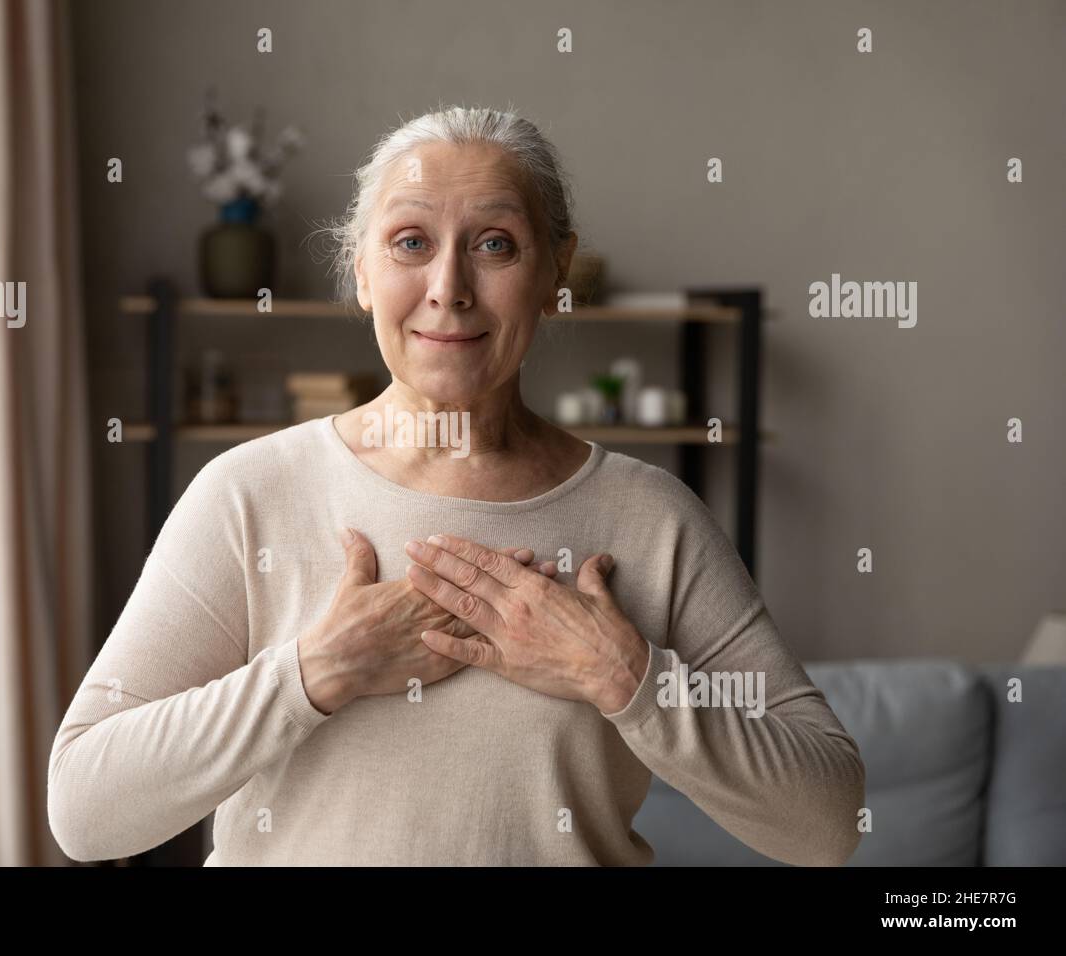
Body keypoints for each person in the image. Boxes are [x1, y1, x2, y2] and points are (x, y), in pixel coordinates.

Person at [48, 105, 865, 866]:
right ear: (362, 270)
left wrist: (624, 677)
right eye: (410, 242)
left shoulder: (650, 518)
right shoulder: (248, 494)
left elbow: (829, 822)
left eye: (495, 244)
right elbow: (84, 809)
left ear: (557, 271)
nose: (448, 287)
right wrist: (315, 673)